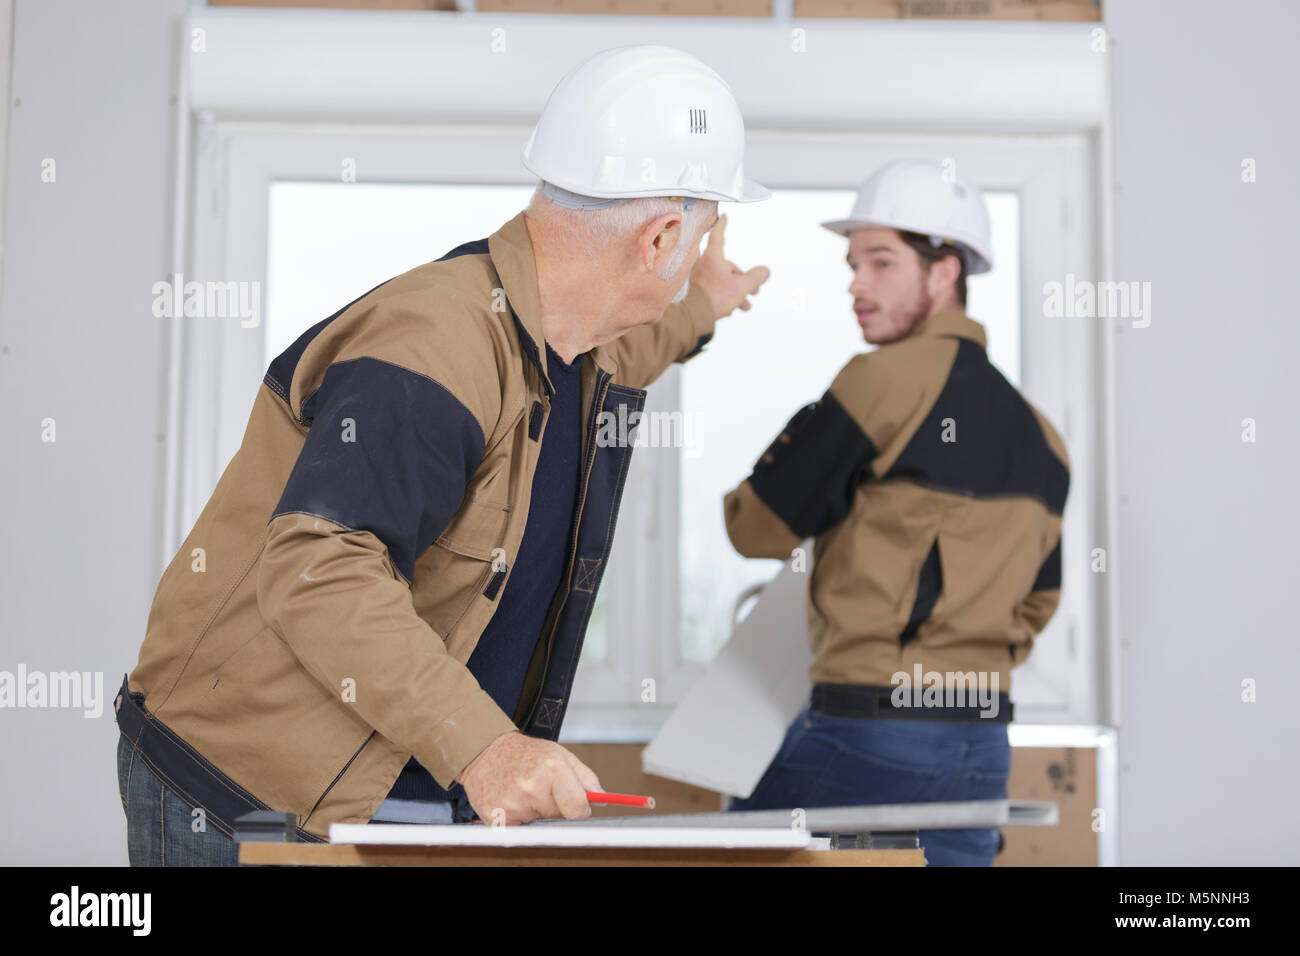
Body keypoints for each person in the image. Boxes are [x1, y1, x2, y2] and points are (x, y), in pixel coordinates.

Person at [114, 44, 771, 866]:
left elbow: (650, 334)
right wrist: (485, 750)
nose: (686, 273)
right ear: (661, 235)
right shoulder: (435, 344)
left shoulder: (579, 345)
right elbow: (321, 569)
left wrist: (707, 299)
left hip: (384, 798)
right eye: (700, 235)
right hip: (236, 794)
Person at [721, 158, 1069, 866]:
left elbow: (755, 528)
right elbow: (1038, 603)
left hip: (870, 726)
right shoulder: (1043, 437)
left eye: (881, 263)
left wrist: (804, 434)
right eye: (853, 264)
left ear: (945, 274)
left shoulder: (882, 381)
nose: (857, 284)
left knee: (734, 849)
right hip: (981, 742)